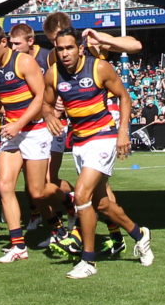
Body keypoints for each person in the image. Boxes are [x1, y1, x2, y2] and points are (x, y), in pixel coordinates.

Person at [41, 26, 154, 279]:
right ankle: (139, 234)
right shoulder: (53, 74)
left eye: (70, 47)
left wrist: (123, 132)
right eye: (60, 49)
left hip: (103, 136)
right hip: (79, 142)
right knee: (102, 204)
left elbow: (124, 96)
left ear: (80, 48)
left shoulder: (99, 68)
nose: (65, 53)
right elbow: (46, 104)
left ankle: (88, 260)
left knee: (81, 195)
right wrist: (49, 116)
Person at [0, 22, 56, 261]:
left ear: (4, 42)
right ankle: (18, 245)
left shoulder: (23, 62)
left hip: (34, 130)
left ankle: (64, 213)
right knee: (4, 185)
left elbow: (40, 99)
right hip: (12, 133)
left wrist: (18, 124)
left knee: (37, 191)